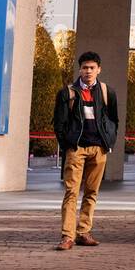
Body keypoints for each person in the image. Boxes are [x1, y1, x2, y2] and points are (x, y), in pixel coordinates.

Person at [52, 51, 119, 250]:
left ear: (99, 70)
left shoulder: (107, 92)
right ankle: (67, 235)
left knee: (92, 192)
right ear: (79, 69)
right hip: (76, 148)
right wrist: (68, 145)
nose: (88, 71)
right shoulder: (68, 93)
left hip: (99, 149)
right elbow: (59, 123)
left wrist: (109, 141)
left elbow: (114, 120)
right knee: (71, 192)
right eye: (84, 68)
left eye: (92, 68)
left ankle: (83, 232)